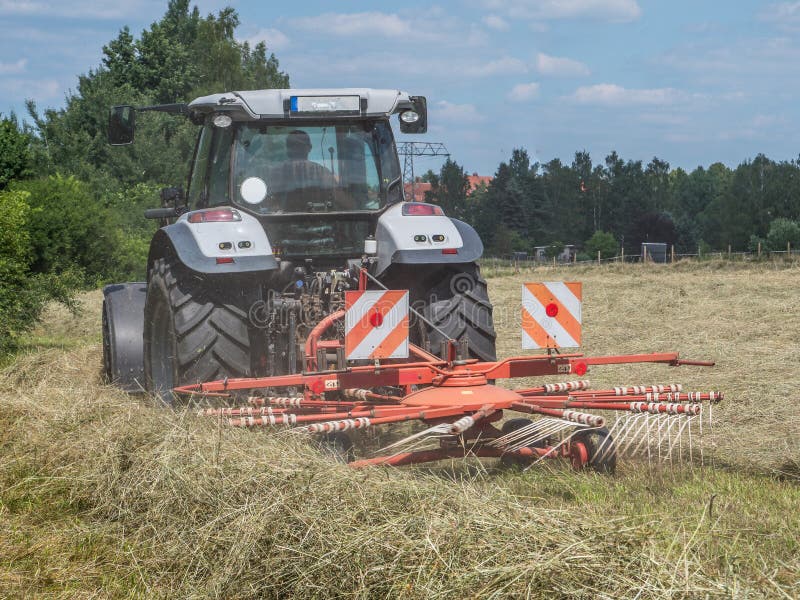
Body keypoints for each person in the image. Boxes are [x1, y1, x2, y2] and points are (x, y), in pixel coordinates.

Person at [270, 130, 337, 212]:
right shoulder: (322, 172)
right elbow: (339, 199)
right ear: (309, 148)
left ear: (287, 148)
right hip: (318, 221)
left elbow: (271, 203)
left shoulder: (276, 171)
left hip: (283, 221)